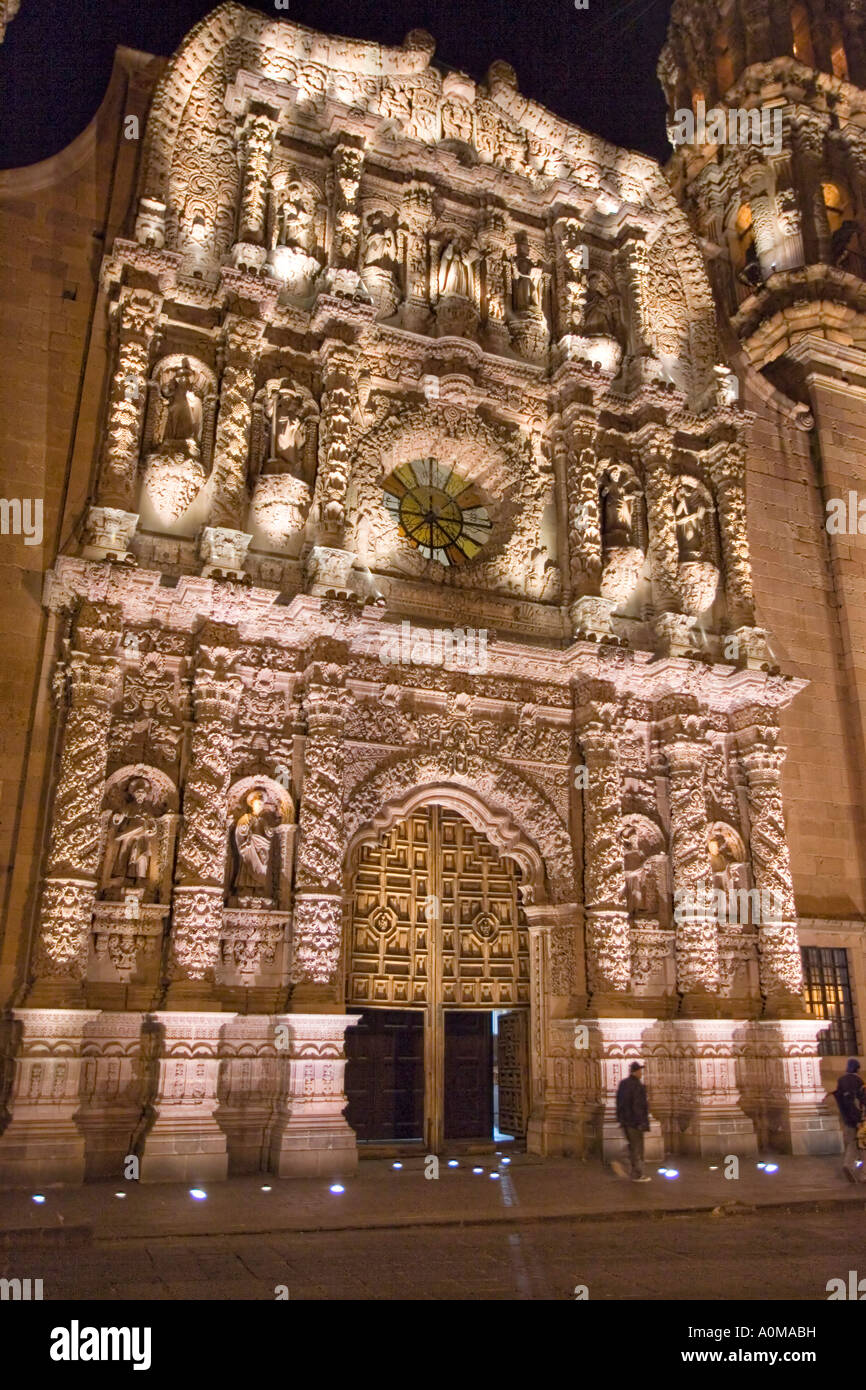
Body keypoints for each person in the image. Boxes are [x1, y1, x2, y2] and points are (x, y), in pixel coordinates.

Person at [613, 1061, 652, 1182]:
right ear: (636, 1071)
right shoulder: (637, 1086)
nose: (641, 1073)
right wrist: (641, 1122)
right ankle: (637, 1174)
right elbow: (638, 1105)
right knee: (637, 1148)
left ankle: (620, 1161)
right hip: (635, 1122)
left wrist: (621, 1118)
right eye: (640, 1071)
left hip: (626, 1121)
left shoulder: (623, 1083)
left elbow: (619, 1102)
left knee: (631, 1145)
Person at [832, 1058, 866, 1183]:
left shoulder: (841, 1081)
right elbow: (861, 1101)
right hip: (859, 1121)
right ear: (857, 1068)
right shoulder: (858, 1081)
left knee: (852, 1144)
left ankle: (848, 1164)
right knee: (863, 1146)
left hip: (847, 1120)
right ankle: (863, 1174)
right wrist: (859, 1119)